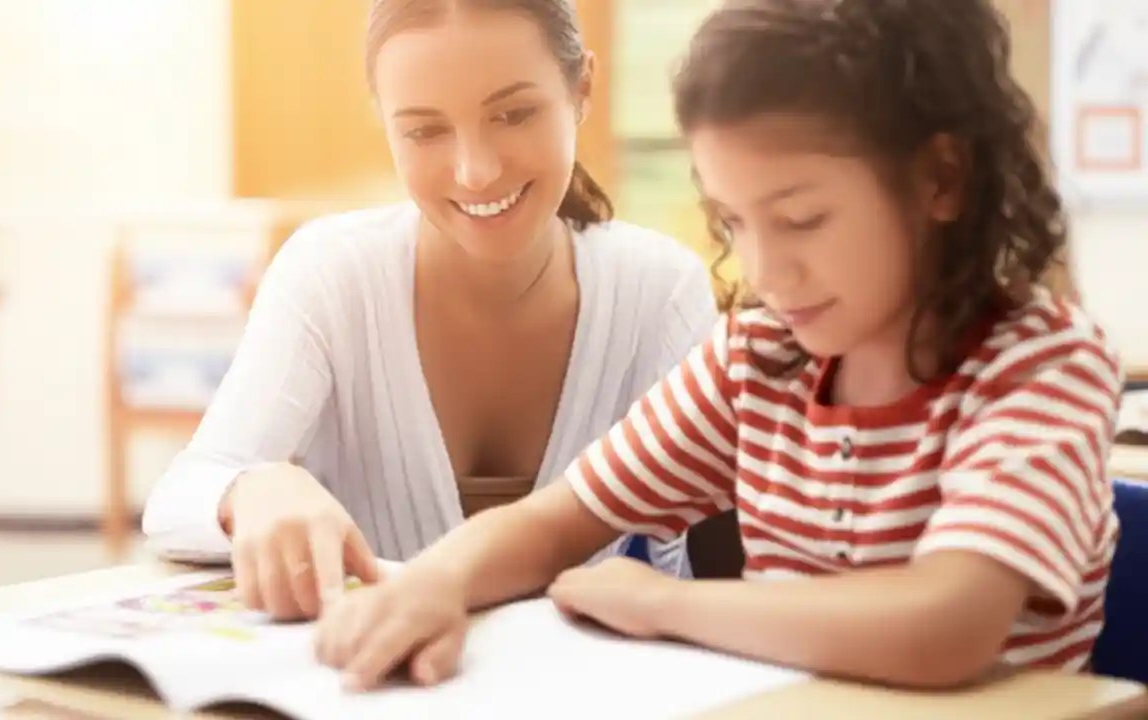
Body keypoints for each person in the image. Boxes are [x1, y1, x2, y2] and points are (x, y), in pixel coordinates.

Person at [314, 0, 1123, 691]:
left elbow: (946, 625)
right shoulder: (758, 358)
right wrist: (433, 584)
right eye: (734, 222)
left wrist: (666, 606)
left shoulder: (1041, 367)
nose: (766, 269)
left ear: (939, 180)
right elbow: (555, 522)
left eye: (802, 219)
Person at [140, 0, 719, 621]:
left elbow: (718, 561)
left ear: (582, 88)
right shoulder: (331, 274)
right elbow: (180, 497)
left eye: (513, 113)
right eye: (424, 130)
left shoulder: (662, 293)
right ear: (384, 122)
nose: (476, 171)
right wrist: (249, 489)